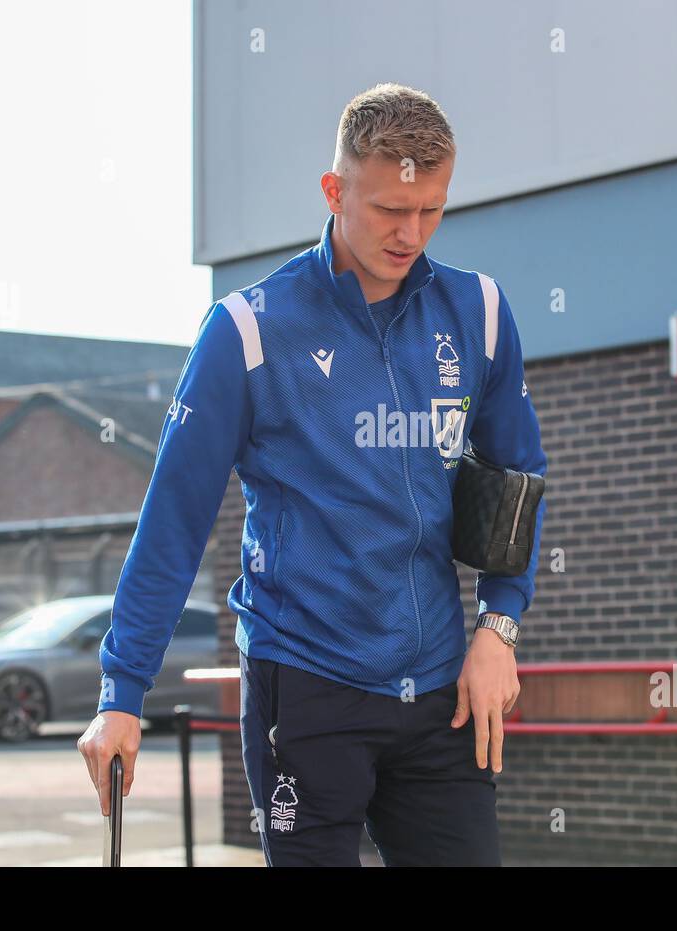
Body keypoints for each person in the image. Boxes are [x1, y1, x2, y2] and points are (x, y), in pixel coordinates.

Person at [78, 82, 548, 866]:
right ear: (335, 192)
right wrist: (122, 695)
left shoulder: (482, 313)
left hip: (439, 691)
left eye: (431, 210)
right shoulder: (248, 331)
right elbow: (173, 523)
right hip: (306, 686)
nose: (411, 233)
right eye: (389, 211)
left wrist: (499, 628)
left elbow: (517, 475)